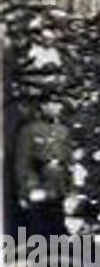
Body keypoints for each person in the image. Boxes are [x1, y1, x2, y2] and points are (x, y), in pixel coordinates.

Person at [13, 97, 72, 236]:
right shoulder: (29, 130)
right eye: (52, 104)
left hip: (59, 184)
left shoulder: (63, 130)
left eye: (58, 104)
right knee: (39, 226)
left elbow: (68, 159)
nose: (56, 108)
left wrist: (70, 187)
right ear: (43, 106)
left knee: (58, 224)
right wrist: (24, 189)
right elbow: (22, 162)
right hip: (39, 181)